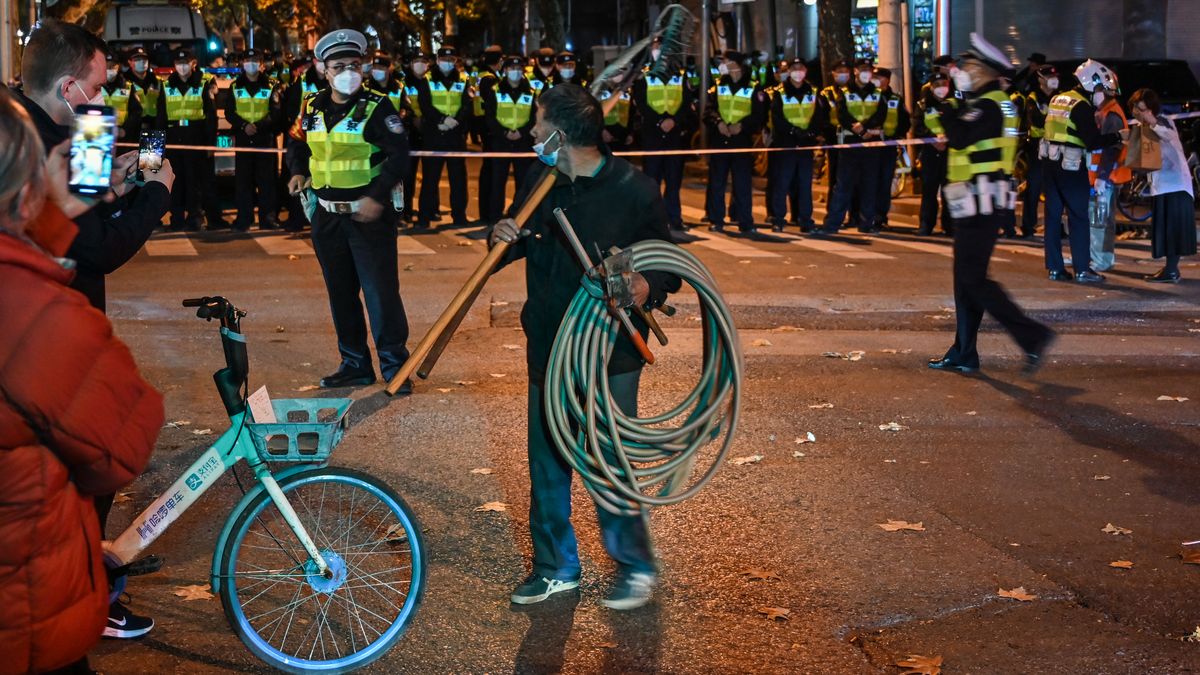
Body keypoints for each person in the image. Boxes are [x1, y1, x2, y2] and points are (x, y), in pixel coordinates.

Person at [488, 83, 681, 611]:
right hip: (548, 343)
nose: (531, 132)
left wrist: (647, 284)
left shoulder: (633, 189)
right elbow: (513, 238)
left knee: (608, 459)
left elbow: (666, 260)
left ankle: (634, 566)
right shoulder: (541, 179)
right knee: (548, 460)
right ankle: (556, 568)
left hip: (611, 351)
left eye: (537, 122)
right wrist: (502, 236)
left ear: (561, 134)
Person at [15, 21, 174, 641]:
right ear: (66, 86)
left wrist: (124, 181)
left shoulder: (77, 129)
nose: (109, 98)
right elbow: (97, 246)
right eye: (100, 86)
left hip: (62, 322)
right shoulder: (25, 145)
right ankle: (80, 598)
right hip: (41, 335)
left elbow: (90, 209)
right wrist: (156, 196)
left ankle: (83, 591)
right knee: (91, 462)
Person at [286, 29, 413, 390]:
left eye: (355, 65)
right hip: (326, 215)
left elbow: (399, 156)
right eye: (339, 65)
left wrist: (376, 196)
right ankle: (355, 363)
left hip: (367, 216)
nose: (348, 71)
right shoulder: (311, 105)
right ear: (322, 70)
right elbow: (296, 142)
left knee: (380, 293)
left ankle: (394, 366)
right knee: (340, 293)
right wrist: (297, 171)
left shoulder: (377, 106)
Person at [927, 34, 1055, 376]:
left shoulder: (990, 105)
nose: (962, 71)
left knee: (972, 278)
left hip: (982, 201)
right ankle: (964, 351)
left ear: (985, 70)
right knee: (965, 280)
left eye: (968, 66)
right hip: (975, 199)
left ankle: (1033, 336)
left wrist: (945, 108)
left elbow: (960, 136)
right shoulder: (990, 103)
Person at [1041, 59, 1124, 283]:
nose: (1103, 98)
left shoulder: (1058, 99)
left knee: (1053, 217)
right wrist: (1117, 137)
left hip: (1050, 165)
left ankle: (1055, 269)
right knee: (1079, 217)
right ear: (1091, 85)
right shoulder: (1081, 106)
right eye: (1102, 92)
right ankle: (1082, 269)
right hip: (1071, 166)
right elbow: (1092, 141)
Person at [1128, 88, 1197, 282]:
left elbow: (1169, 136)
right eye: (1135, 108)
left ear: (1150, 109)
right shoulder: (1143, 127)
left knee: (1173, 230)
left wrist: (1153, 122)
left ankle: (1171, 270)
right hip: (1162, 185)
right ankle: (1170, 269)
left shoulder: (1164, 122)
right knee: (1167, 230)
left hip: (1174, 185)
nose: (1136, 112)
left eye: (1140, 108)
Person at [814, 58, 886, 235]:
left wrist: (866, 128)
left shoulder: (878, 93)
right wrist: (859, 129)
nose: (866, 72)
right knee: (843, 185)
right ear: (855, 71)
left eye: (868, 69)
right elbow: (842, 115)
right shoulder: (845, 92)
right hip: (849, 143)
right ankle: (833, 223)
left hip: (871, 143)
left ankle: (866, 223)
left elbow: (881, 114)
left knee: (869, 185)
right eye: (862, 69)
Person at [632, 43, 696, 234]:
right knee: (652, 180)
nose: (658, 51)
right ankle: (652, 220)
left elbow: (686, 102)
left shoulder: (680, 76)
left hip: (674, 135)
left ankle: (674, 218)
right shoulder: (644, 76)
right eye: (655, 48)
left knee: (674, 180)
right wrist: (660, 122)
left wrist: (674, 121)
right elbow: (641, 103)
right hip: (653, 133)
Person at [704, 51, 767, 233]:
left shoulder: (753, 87)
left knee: (742, 184)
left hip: (741, 141)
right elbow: (708, 112)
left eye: (726, 61)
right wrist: (718, 122)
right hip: (720, 140)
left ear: (737, 64)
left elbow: (759, 115)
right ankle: (716, 220)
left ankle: (745, 221)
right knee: (717, 183)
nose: (723, 64)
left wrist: (742, 126)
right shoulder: (718, 85)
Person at [157, 48, 217, 231]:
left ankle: (195, 218)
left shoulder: (203, 83)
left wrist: (209, 144)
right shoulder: (166, 85)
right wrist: (159, 147)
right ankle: (176, 219)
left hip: (195, 137)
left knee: (194, 182)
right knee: (175, 182)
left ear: (193, 63)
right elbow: (160, 116)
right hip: (174, 138)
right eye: (178, 63)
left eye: (186, 63)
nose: (182, 67)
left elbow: (210, 116)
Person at [225, 48, 281, 231]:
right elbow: (229, 112)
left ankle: (268, 218)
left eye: (255, 60)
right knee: (243, 183)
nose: (251, 64)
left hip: (264, 138)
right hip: (243, 138)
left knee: (266, 182)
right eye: (248, 60)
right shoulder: (235, 86)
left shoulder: (272, 85)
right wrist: (243, 126)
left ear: (262, 65)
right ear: (242, 64)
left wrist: (258, 126)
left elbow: (276, 112)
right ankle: (244, 219)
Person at [766, 58, 825, 232]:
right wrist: (793, 131)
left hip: (806, 144)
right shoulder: (779, 93)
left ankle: (805, 220)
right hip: (786, 144)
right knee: (782, 183)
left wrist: (810, 133)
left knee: (805, 184)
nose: (798, 71)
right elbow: (777, 118)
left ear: (805, 71)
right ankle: (778, 219)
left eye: (801, 68)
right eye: (794, 68)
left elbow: (819, 116)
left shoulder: (813, 92)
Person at [417, 45, 471, 228]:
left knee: (458, 180)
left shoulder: (463, 80)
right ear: (437, 60)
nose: (448, 63)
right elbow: (424, 104)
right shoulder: (427, 79)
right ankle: (424, 216)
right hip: (434, 133)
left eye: (452, 60)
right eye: (445, 60)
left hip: (455, 135)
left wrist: (456, 121)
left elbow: (467, 104)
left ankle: (459, 215)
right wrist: (441, 119)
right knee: (430, 179)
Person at [484, 55, 538, 223]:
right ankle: (494, 217)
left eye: (518, 69)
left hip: (523, 141)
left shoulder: (530, 92)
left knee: (522, 183)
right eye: (512, 69)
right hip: (501, 141)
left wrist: (522, 131)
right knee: (497, 182)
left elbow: (534, 117)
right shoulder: (495, 91)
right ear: (505, 70)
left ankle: (519, 216)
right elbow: (490, 117)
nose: (516, 72)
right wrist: (504, 132)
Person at [1086, 74, 1130, 272]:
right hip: (1101, 177)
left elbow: (1112, 149)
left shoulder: (1111, 115)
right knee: (1097, 220)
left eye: (1095, 91)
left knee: (1100, 221)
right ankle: (1094, 256)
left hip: (1106, 177)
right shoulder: (1104, 112)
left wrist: (1102, 178)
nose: (1092, 94)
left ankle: (1102, 259)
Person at [1020, 65, 1060, 238]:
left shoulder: (1060, 98)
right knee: (1034, 189)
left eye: (1056, 76)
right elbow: (1035, 121)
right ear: (1040, 79)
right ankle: (1028, 227)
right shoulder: (1033, 98)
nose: (1054, 79)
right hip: (1037, 150)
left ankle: (1057, 228)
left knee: (1055, 191)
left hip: (1057, 149)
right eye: (1049, 77)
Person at [914, 71, 953, 236]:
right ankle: (926, 224)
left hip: (949, 153)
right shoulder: (923, 106)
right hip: (930, 152)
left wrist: (947, 140)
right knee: (929, 190)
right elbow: (917, 127)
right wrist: (933, 139)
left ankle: (949, 226)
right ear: (930, 88)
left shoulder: (954, 104)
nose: (941, 88)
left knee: (949, 191)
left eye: (944, 84)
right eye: (937, 85)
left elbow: (960, 126)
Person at [872, 66, 910, 232]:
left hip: (888, 145)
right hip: (871, 144)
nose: (877, 81)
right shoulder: (870, 97)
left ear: (887, 80)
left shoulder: (896, 99)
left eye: (880, 78)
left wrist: (897, 136)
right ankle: (866, 215)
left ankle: (881, 217)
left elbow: (905, 121)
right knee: (870, 182)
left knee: (885, 182)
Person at [475, 45, 504, 224]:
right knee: (491, 172)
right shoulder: (489, 79)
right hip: (488, 127)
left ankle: (485, 211)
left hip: (481, 124)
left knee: (488, 170)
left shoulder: (480, 75)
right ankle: (488, 212)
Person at [101, 51, 143, 141]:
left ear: (118, 67)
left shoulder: (128, 86)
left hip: (121, 135)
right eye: (106, 66)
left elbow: (136, 111)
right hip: (99, 132)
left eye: (112, 66)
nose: (109, 69)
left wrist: (125, 130)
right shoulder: (96, 86)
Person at [125, 46, 161, 133]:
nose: (142, 62)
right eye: (137, 59)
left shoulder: (156, 81)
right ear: (129, 62)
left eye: (144, 59)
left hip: (154, 128)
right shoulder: (124, 81)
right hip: (132, 129)